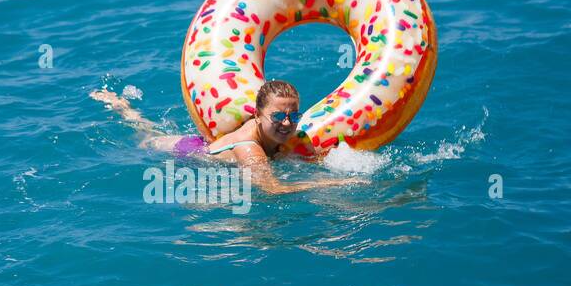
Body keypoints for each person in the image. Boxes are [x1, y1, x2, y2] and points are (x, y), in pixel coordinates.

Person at [91, 80, 365, 194]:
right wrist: (335, 182)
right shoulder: (249, 150)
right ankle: (119, 106)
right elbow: (271, 190)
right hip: (188, 153)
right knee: (147, 135)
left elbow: (313, 159)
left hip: (214, 145)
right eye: (278, 117)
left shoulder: (291, 135)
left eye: (293, 117)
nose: (286, 123)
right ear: (257, 116)